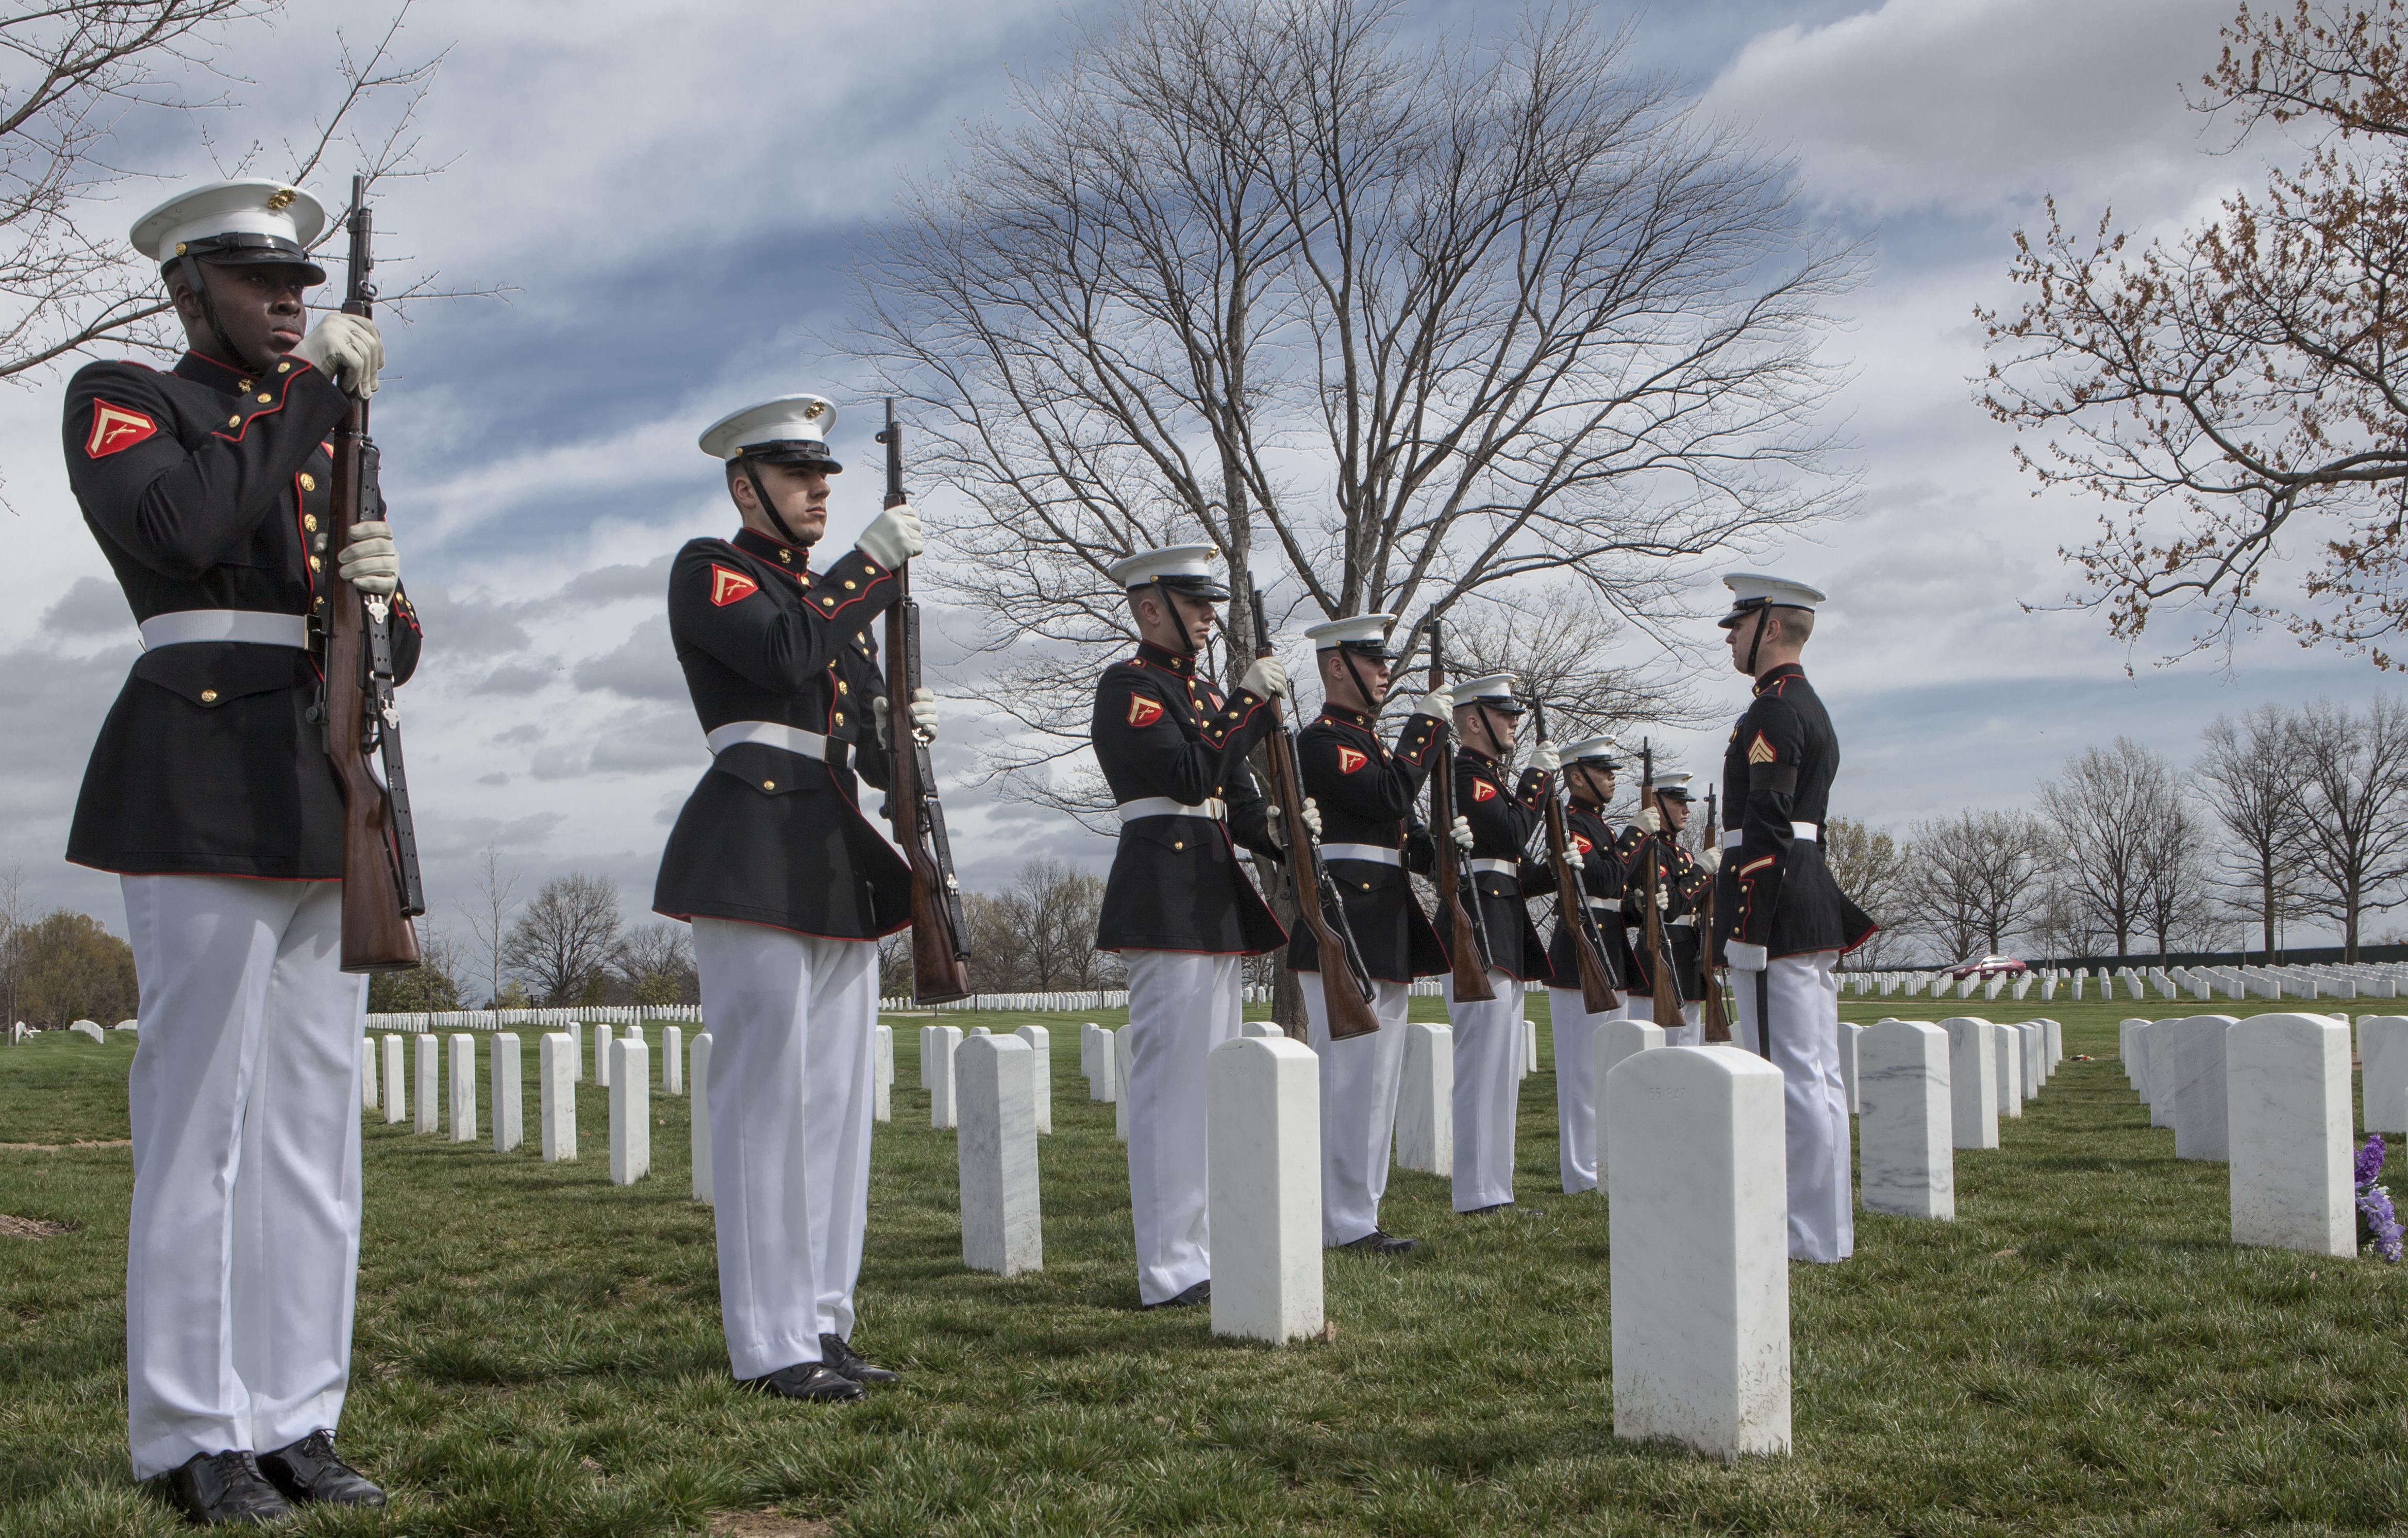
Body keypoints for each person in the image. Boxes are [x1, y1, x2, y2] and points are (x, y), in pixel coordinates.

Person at [65, 178, 404, 1523]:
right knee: (202, 1120)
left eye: (302, 287)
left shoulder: (325, 437)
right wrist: (312, 398)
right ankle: (191, 1431)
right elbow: (176, 530)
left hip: (320, 785)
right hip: (197, 766)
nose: (288, 303)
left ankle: (295, 1415)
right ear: (185, 286)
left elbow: (387, 641)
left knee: (315, 1130)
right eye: (261, 282)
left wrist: (387, 605)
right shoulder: (127, 395)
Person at [653, 393, 932, 1401]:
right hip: (748, 846)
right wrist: (867, 569)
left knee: (833, 1107)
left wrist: (903, 730)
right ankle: (770, 1340)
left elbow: (853, 734)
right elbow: (779, 653)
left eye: (826, 474)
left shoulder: (826, 602)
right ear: (746, 484)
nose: (820, 488)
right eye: (798, 473)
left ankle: (824, 1317)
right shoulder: (712, 569)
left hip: (827, 854)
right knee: (765, 1103)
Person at [1090, 546, 1293, 1308]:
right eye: (1195, 602)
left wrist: (1282, 829)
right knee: (1171, 1090)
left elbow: (1235, 796)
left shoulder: (1202, 692)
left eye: (1210, 602)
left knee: (1208, 1086)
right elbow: (1186, 776)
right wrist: (1245, 705)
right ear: (1150, 609)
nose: (1210, 615)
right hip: (1163, 895)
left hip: (1208, 896)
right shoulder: (1131, 687)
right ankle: (1168, 1267)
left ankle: (1202, 1254)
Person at [1287, 614, 1469, 1253]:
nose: (1385, 668)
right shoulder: (1323, 740)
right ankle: (1337, 1218)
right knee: (1347, 1078)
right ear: (1337, 666)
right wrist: (1427, 728)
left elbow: (1398, 827)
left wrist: (1440, 846)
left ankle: (1358, 1214)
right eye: (1372, 659)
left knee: (1377, 1081)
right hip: (1348, 921)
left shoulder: (1368, 742)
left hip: (1383, 920)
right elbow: (1390, 796)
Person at [1710, 572, 1876, 1263]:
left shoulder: (1773, 713)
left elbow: (1769, 827)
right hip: (1803, 900)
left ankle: (1808, 1235)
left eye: (1739, 625)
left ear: (1771, 628)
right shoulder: (1805, 706)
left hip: (1776, 912)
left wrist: (1747, 929)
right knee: (1816, 1075)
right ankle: (1822, 1227)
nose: (1730, 636)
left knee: (1789, 1075)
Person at [1445, 673, 1556, 1216]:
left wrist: (1556, 871)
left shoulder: (1490, 777)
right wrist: (1537, 777)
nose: (1514, 721)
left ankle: (1497, 1187)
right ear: (1472, 720)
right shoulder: (1468, 774)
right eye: (1503, 713)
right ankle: (1475, 1191)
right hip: (1479, 927)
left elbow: (1514, 864)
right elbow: (1511, 834)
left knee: (1501, 1067)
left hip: (1503, 921)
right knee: (1481, 1064)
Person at [1542, 735, 1640, 1194]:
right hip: (1581, 956)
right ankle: (1581, 1174)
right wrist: (1636, 837)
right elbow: (1605, 876)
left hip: (1611, 954)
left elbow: (1617, 885)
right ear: (1577, 777)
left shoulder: (1598, 828)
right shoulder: (1571, 823)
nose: (1612, 778)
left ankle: (1605, 1161)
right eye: (1603, 771)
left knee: (1609, 1067)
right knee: (1582, 1073)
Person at [1623, 771, 1715, 1046]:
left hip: (1689, 964)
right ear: (1656, 803)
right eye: (1678, 802)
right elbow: (1671, 906)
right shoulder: (1649, 851)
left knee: (1688, 1061)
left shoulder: (1683, 855)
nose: (1686, 809)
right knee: (1655, 1057)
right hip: (1660, 961)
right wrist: (1701, 872)